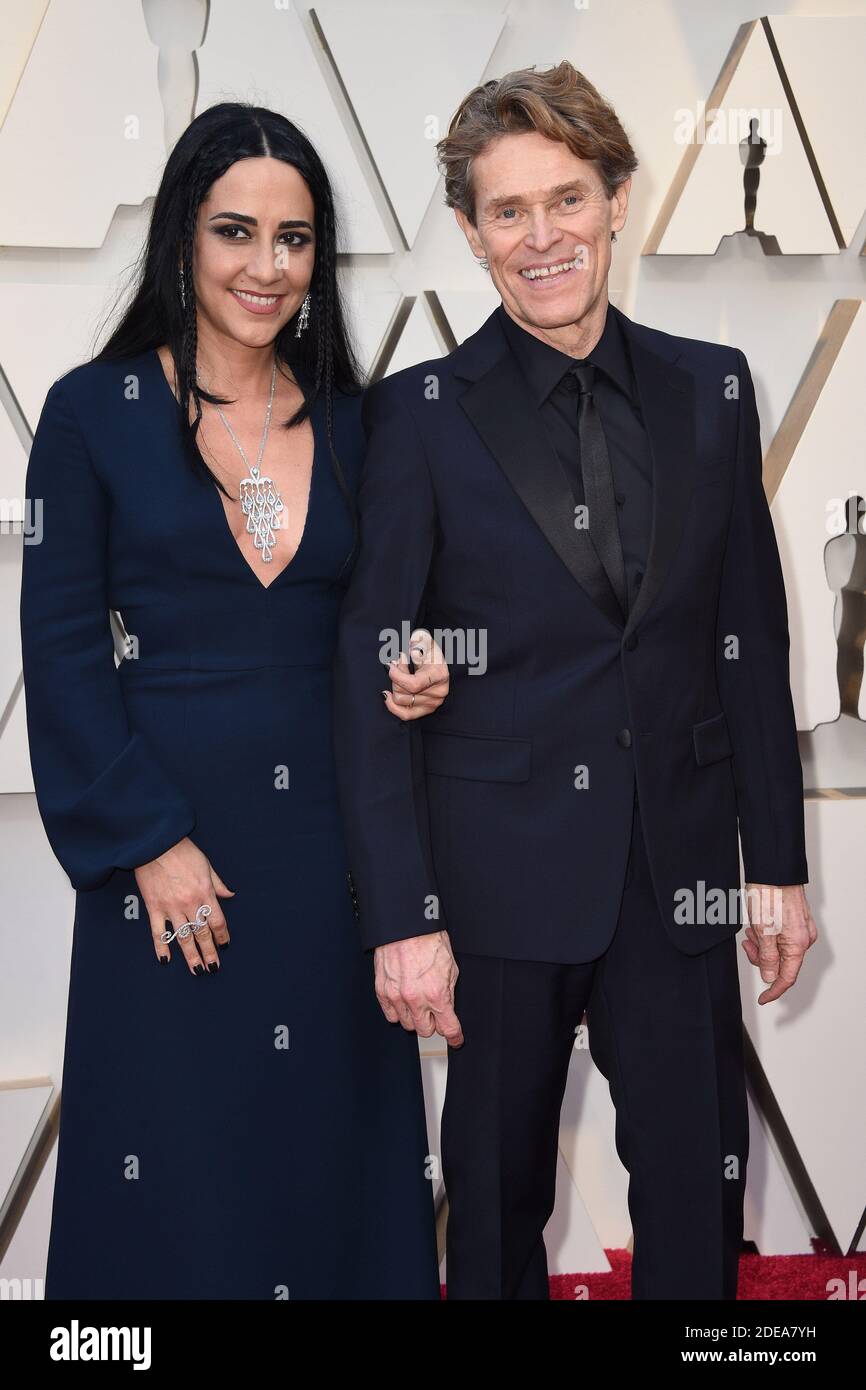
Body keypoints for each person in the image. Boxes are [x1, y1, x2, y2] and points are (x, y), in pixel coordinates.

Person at [333, 61, 818, 1300]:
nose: (541, 236)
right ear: (467, 234)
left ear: (613, 200)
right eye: (507, 212)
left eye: (564, 199)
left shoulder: (710, 388)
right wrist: (403, 915)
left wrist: (775, 867)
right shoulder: (417, 415)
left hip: (680, 874)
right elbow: (371, 669)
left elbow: (747, 642)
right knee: (492, 1208)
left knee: (696, 1196)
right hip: (492, 884)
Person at [20, 102, 448, 1300]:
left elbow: (397, 623)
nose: (268, 266)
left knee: (325, 1151)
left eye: (296, 238)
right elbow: (58, 653)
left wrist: (421, 665)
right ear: (181, 240)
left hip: (332, 854)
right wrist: (147, 839)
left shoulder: (369, 429)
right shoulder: (90, 413)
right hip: (163, 863)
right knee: (172, 1164)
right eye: (236, 231)